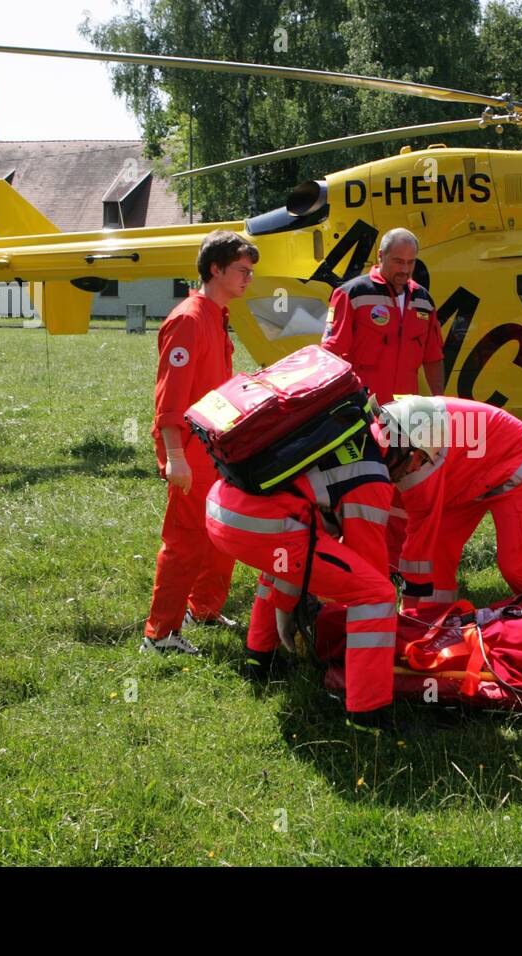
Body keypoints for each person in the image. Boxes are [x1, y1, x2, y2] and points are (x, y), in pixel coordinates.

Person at [205, 416, 417, 731]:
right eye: (418, 460)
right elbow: (368, 563)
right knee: (376, 595)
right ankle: (367, 714)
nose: (413, 471)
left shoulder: (344, 436)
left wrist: (286, 604)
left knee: (286, 559)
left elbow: (304, 546)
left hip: (222, 509)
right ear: (404, 451)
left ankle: (260, 658)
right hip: (265, 527)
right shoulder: (372, 477)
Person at [142, 230, 257, 654]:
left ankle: (204, 608)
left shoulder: (217, 315)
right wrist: (175, 458)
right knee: (186, 539)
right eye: (242, 271)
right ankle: (160, 635)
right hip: (190, 449)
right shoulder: (189, 320)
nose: (248, 279)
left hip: (218, 445)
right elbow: (169, 401)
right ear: (216, 269)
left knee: (221, 531)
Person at [383, 395, 522, 610]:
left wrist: (407, 608)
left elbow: (418, 539)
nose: (415, 468)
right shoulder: (405, 446)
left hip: (514, 462)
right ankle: (434, 619)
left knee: (515, 565)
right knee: (437, 553)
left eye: (420, 462)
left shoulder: (416, 467)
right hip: (467, 477)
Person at [321, 227, 444, 405]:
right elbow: (330, 352)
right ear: (380, 255)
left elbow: (433, 357)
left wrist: (439, 401)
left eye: (411, 262)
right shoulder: (352, 294)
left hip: (405, 410)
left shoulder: (423, 301)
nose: (405, 269)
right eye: (398, 261)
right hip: (362, 406)